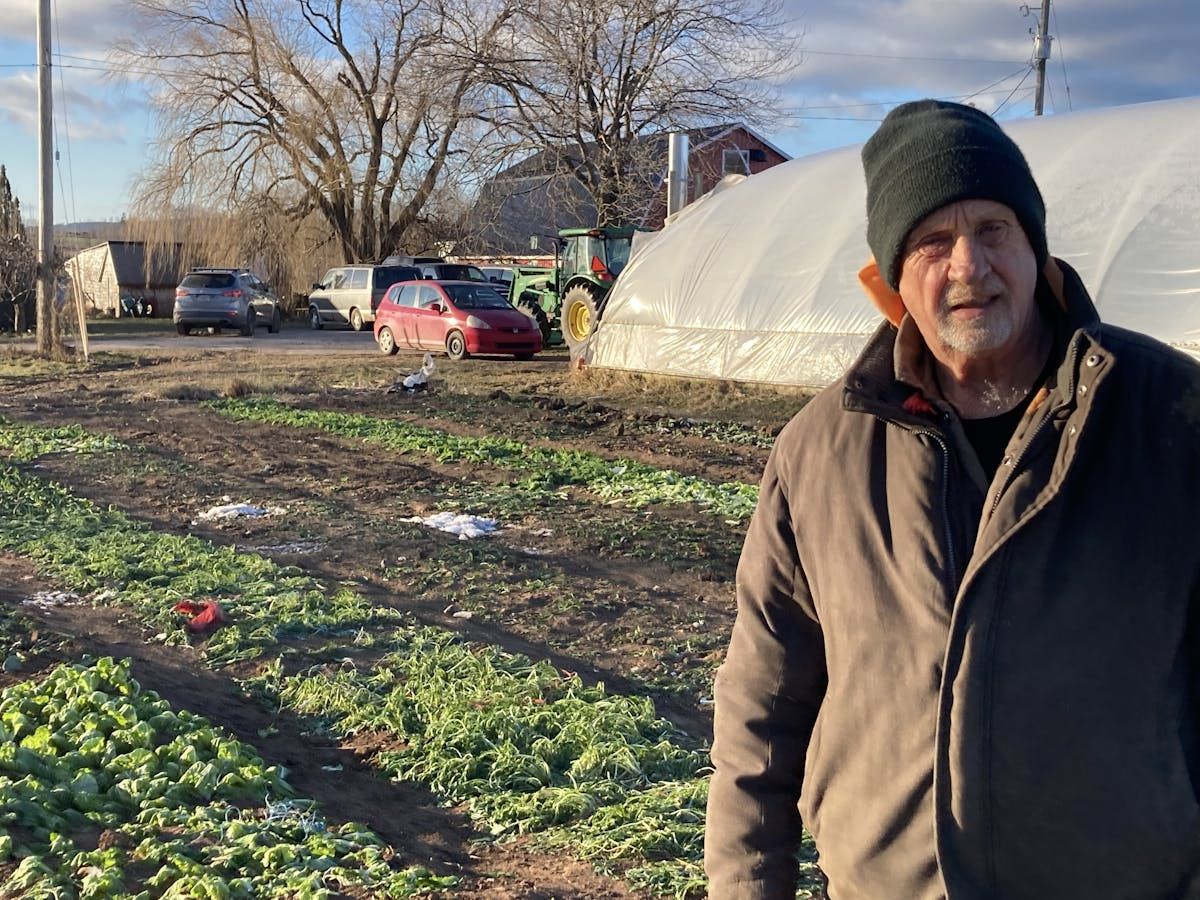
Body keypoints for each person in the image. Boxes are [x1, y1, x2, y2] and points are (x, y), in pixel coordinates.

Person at [704, 99, 1200, 899]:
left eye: (994, 229)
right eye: (934, 242)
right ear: (892, 278)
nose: (969, 265)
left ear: (1035, 248)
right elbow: (762, 707)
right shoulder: (822, 451)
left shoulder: (1169, 417)